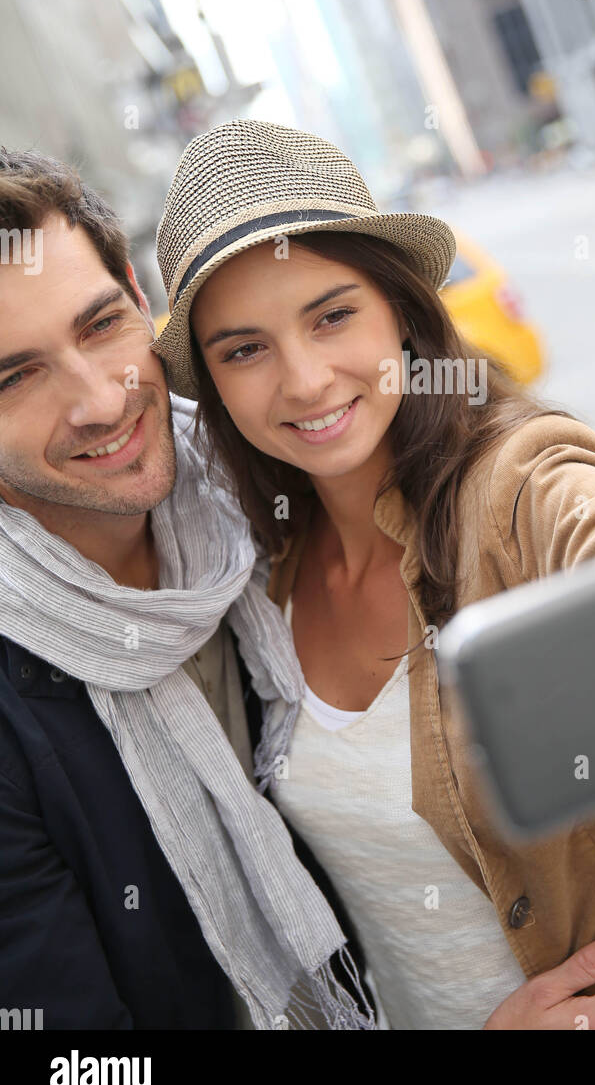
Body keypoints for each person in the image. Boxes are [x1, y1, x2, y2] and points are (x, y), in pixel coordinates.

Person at [151, 118, 595, 1031]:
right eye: (244, 349)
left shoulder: (512, 488)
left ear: (401, 315)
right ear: (210, 383)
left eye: (333, 316)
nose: (303, 379)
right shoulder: (257, 577)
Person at [0, 149, 374, 1030]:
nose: (100, 400)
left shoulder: (263, 477)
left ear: (139, 296)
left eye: (99, 327)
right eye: (16, 376)